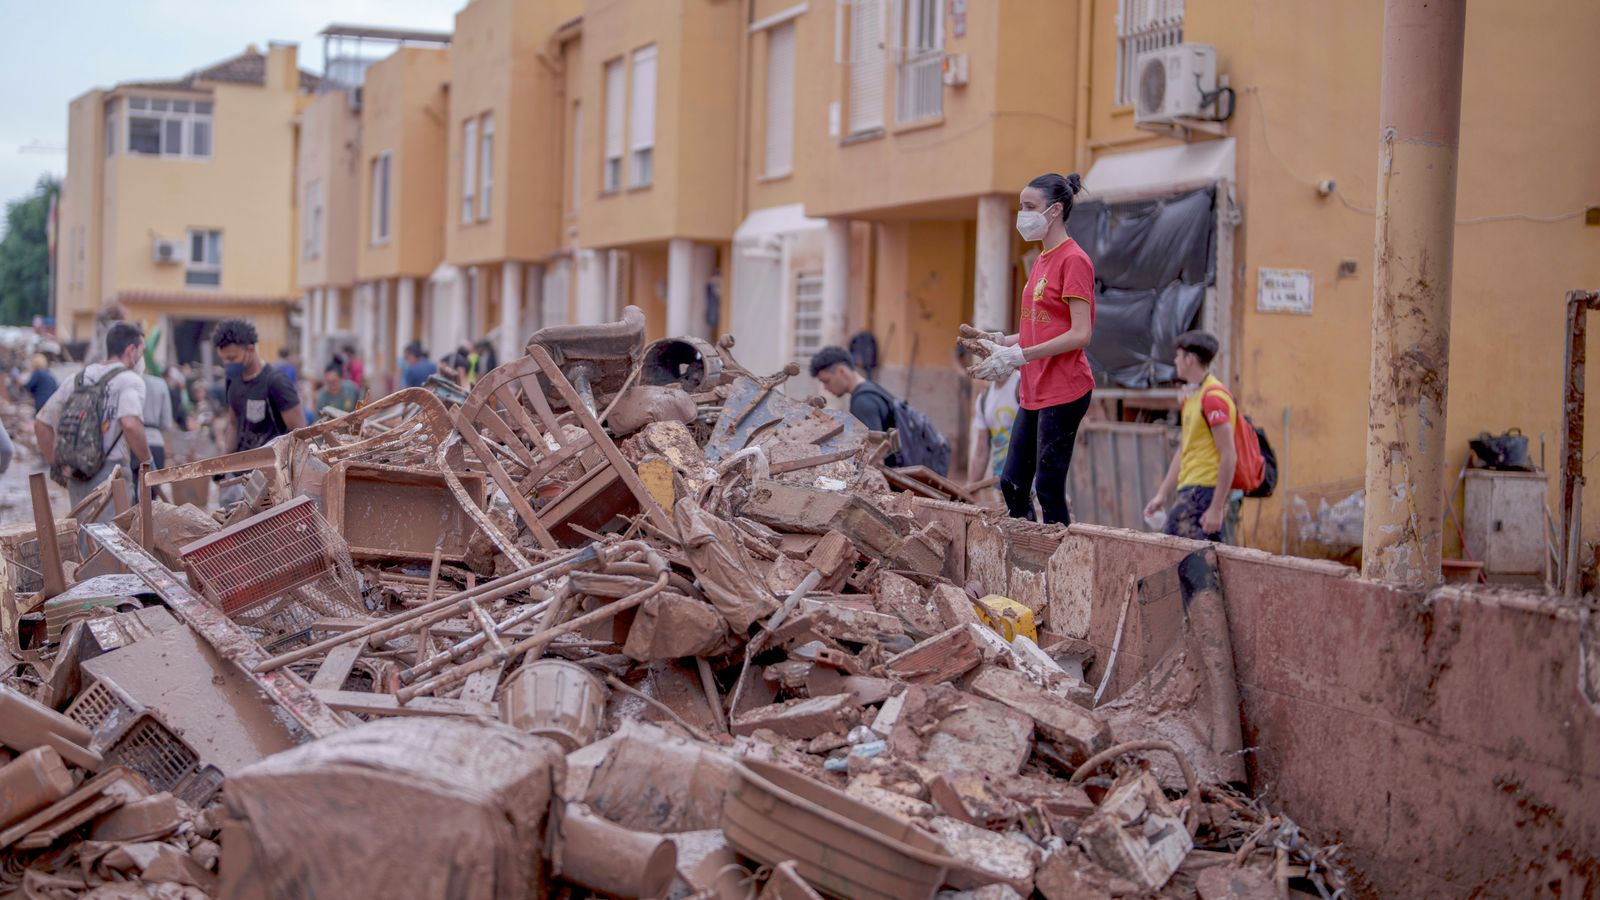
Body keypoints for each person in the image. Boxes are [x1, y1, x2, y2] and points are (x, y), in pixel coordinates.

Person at [962, 172, 1096, 526]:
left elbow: (1080, 333)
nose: (1021, 214)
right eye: (1021, 206)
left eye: (1029, 207)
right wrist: (1000, 342)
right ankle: (1026, 550)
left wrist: (1018, 356)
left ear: (1054, 211)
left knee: (1049, 487)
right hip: (1034, 386)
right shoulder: (1040, 259)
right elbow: (1040, 328)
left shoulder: (1074, 260)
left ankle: (1059, 565)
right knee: (1012, 483)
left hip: (1065, 389)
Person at [34, 322, 151, 518]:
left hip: (77, 472)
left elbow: (41, 424)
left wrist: (56, 465)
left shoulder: (77, 379)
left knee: (83, 537)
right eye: (142, 350)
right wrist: (148, 460)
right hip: (112, 472)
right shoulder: (130, 380)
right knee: (114, 540)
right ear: (131, 350)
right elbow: (130, 423)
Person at [1144, 331, 1243, 543]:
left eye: (1178, 355)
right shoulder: (1193, 397)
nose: (1175, 361)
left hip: (1203, 491)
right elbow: (1183, 450)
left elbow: (1228, 454)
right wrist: (1162, 494)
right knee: (1196, 566)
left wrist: (1216, 507)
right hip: (1191, 489)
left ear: (1189, 358)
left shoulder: (1213, 397)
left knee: (1170, 557)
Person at [215, 319, 306, 454]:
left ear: (250, 349)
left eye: (232, 358)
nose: (228, 364)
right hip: (240, 470)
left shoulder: (275, 382)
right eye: (224, 359)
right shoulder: (232, 380)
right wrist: (224, 463)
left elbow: (300, 433)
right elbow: (233, 423)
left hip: (271, 470)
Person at [810, 345, 895, 433]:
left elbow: (872, 445)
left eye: (826, 381)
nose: (825, 387)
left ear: (841, 371)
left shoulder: (862, 401)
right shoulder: (873, 389)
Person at [966, 368, 1021, 490]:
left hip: (1029, 486)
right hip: (1001, 485)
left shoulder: (1022, 385)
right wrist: (969, 489)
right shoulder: (984, 399)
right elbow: (981, 449)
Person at [139, 370, 175, 491]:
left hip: (132, 443)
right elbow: (167, 422)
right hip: (156, 441)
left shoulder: (128, 381)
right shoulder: (161, 384)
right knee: (152, 496)